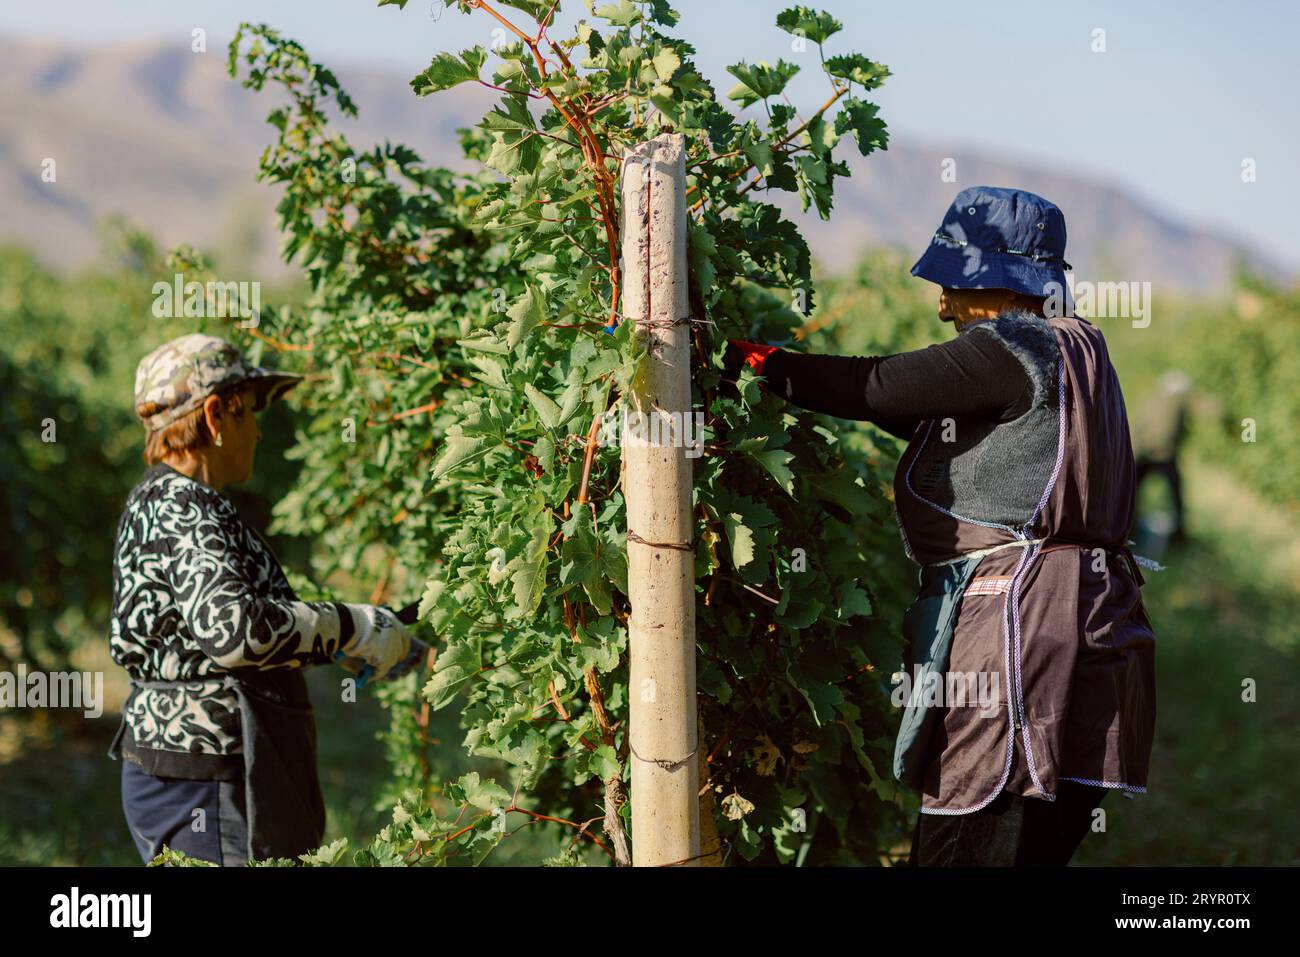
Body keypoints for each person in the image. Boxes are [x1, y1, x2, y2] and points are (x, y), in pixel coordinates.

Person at [724, 186, 1157, 866]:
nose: (942, 300)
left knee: (971, 839)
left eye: (955, 280)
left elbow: (880, 385)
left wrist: (750, 363)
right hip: (1095, 629)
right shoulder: (1079, 352)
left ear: (999, 283)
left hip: (1023, 641)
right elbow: (936, 421)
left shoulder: (1015, 346)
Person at [107, 333, 413, 866]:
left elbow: (202, 632)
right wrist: (353, 626)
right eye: (247, 410)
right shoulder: (186, 508)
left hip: (182, 769)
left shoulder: (156, 500)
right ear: (213, 415)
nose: (258, 427)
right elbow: (235, 631)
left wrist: (324, 645)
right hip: (207, 778)